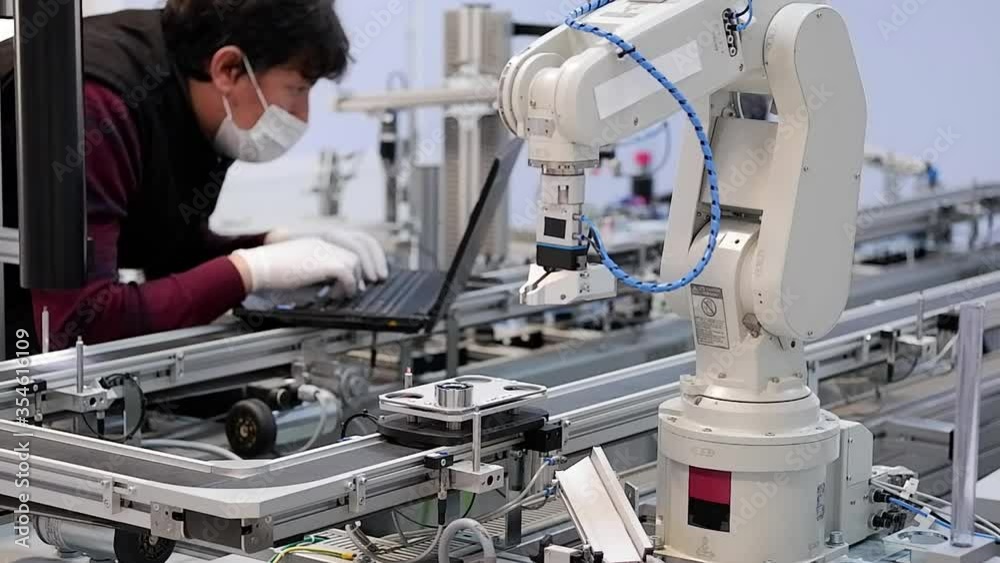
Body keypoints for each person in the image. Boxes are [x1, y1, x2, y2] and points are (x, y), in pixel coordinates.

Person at [0, 0, 388, 354]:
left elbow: (168, 251)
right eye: (296, 89)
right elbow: (83, 325)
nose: (303, 115)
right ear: (228, 69)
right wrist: (251, 271)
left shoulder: (195, 101)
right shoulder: (97, 106)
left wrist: (276, 246)